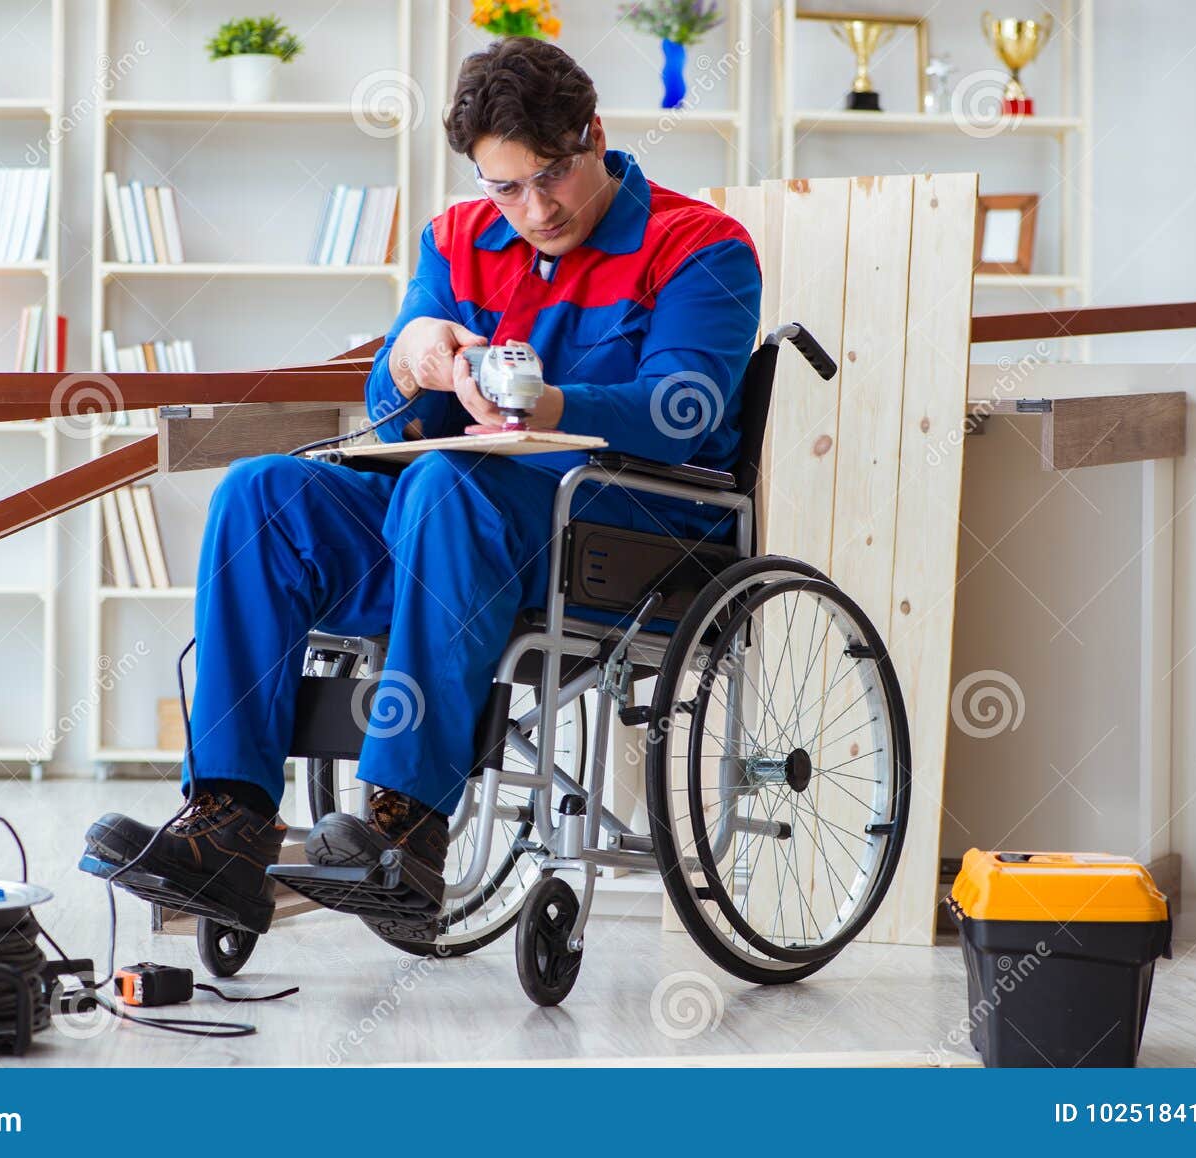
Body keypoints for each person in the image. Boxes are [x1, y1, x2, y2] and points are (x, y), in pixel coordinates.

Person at [83, 36, 761, 939]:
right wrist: (410, 364)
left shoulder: (701, 244)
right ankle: (231, 826)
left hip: (619, 533)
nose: (533, 208)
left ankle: (405, 830)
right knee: (258, 495)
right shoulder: (457, 239)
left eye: (551, 175)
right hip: (454, 521)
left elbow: (687, 408)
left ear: (594, 135)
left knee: (446, 483)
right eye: (505, 187)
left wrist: (548, 400)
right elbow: (393, 417)